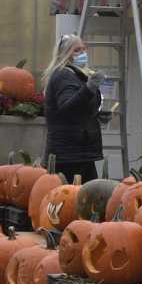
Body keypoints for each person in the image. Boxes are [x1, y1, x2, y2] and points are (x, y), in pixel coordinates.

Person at [42, 34, 102, 181]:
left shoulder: (78, 74)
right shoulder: (64, 75)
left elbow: (82, 108)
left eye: (83, 49)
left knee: (88, 197)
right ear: (65, 54)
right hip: (69, 155)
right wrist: (89, 88)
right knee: (75, 198)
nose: (82, 53)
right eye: (77, 50)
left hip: (79, 152)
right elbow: (68, 107)